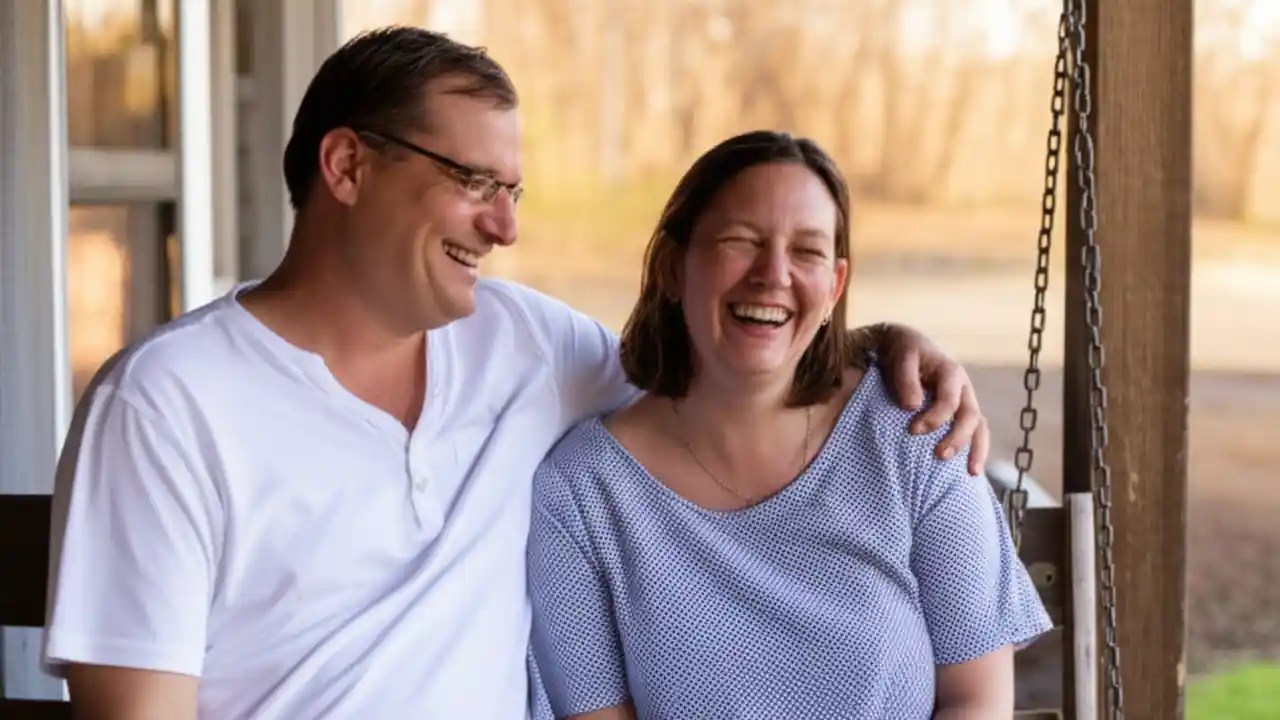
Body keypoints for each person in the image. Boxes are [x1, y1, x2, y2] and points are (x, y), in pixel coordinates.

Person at [43, 28, 990, 719]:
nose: (506, 227)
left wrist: (883, 343)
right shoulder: (168, 405)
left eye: (514, 192)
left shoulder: (524, 345)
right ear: (346, 165)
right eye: (474, 183)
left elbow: (727, 362)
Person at [527, 131, 1050, 719]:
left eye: (807, 251)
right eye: (740, 241)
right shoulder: (581, 494)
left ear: (836, 286)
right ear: (674, 267)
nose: (772, 274)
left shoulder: (914, 437)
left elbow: (975, 699)